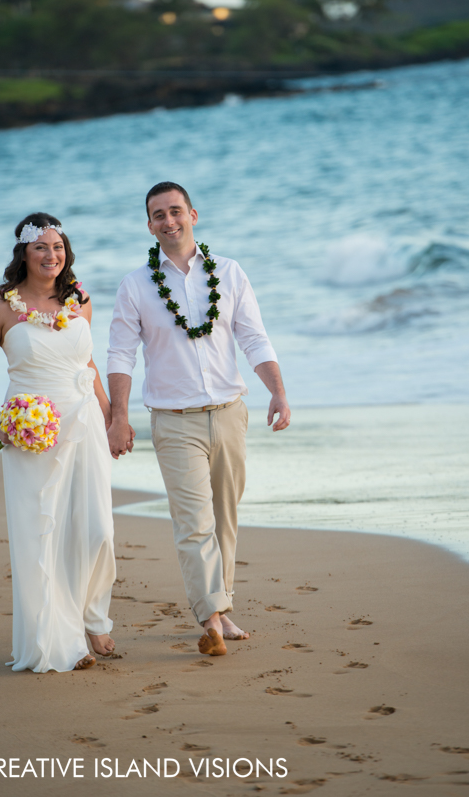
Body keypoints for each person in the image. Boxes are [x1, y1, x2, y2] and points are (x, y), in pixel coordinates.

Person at [107, 182, 290, 656]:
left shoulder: (229, 273)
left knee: (225, 516)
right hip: (173, 420)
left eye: (175, 211)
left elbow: (254, 338)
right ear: (149, 226)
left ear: (193, 214)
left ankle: (221, 608)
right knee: (193, 522)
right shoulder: (135, 285)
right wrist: (118, 417)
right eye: (158, 215)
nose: (169, 221)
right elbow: (121, 355)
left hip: (229, 413)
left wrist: (278, 391)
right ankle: (210, 616)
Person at [0, 213, 117, 672]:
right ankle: (61, 642)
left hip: (84, 423)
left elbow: (88, 365)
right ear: (23, 254)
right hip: (33, 432)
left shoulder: (80, 299)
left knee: (96, 529)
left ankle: (92, 617)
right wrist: (2, 425)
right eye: (41, 247)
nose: (52, 255)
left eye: (58, 246)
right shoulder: (1, 309)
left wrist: (111, 418)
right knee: (41, 535)